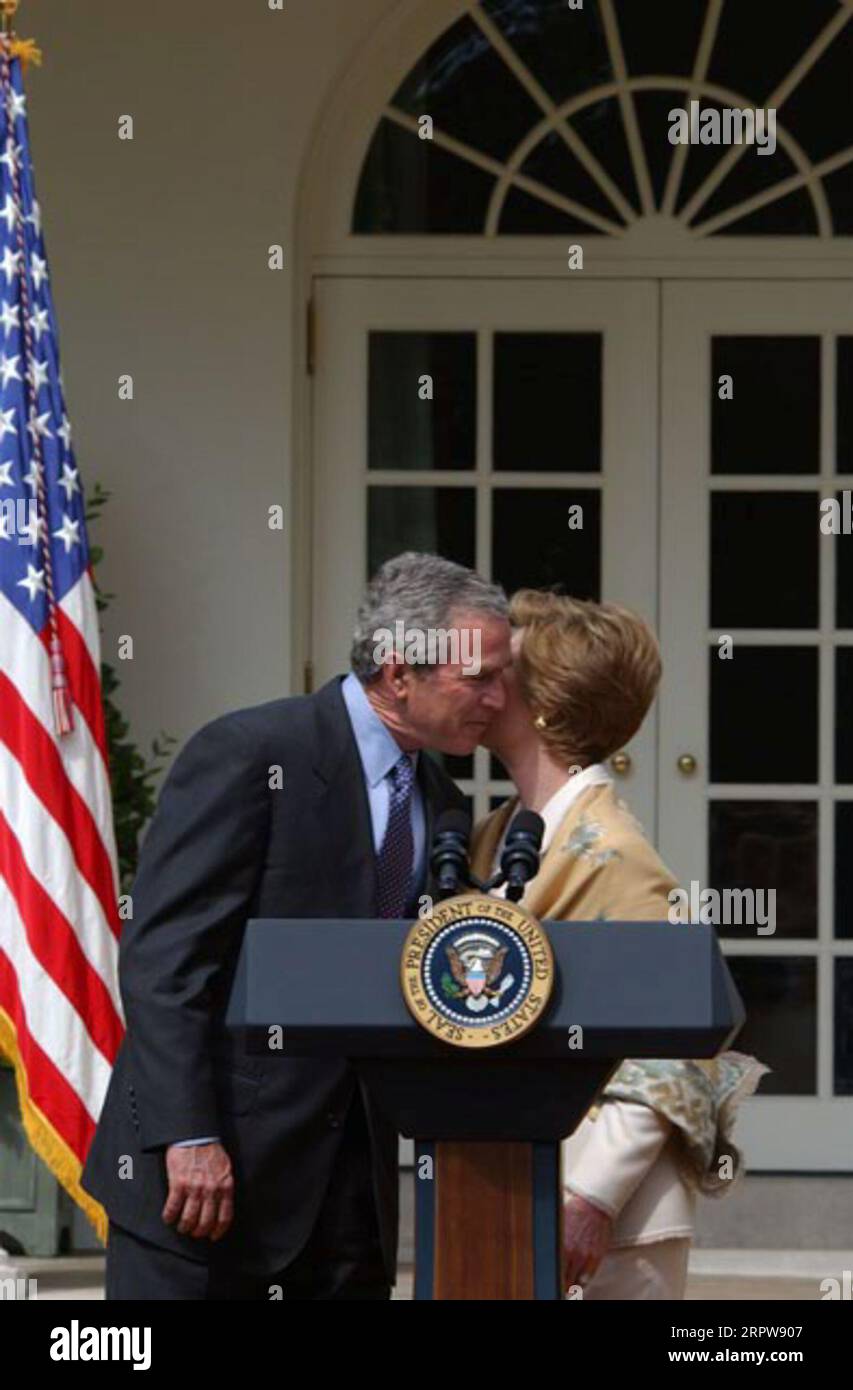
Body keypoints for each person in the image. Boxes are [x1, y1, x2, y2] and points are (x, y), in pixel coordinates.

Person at [82, 552, 512, 1299]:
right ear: (398, 670)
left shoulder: (441, 797)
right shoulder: (252, 754)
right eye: (479, 678)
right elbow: (166, 962)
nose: (498, 698)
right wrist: (188, 1136)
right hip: (207, 1186)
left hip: (347, 1203)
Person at [473, 589, 767, 1300]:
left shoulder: (613, 847)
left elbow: (671, 1041)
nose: (477, 678)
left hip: (609, 1220)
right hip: (515, 1184)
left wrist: (591, 1198)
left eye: (498, 669)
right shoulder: (495, 831)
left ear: (542, 703)